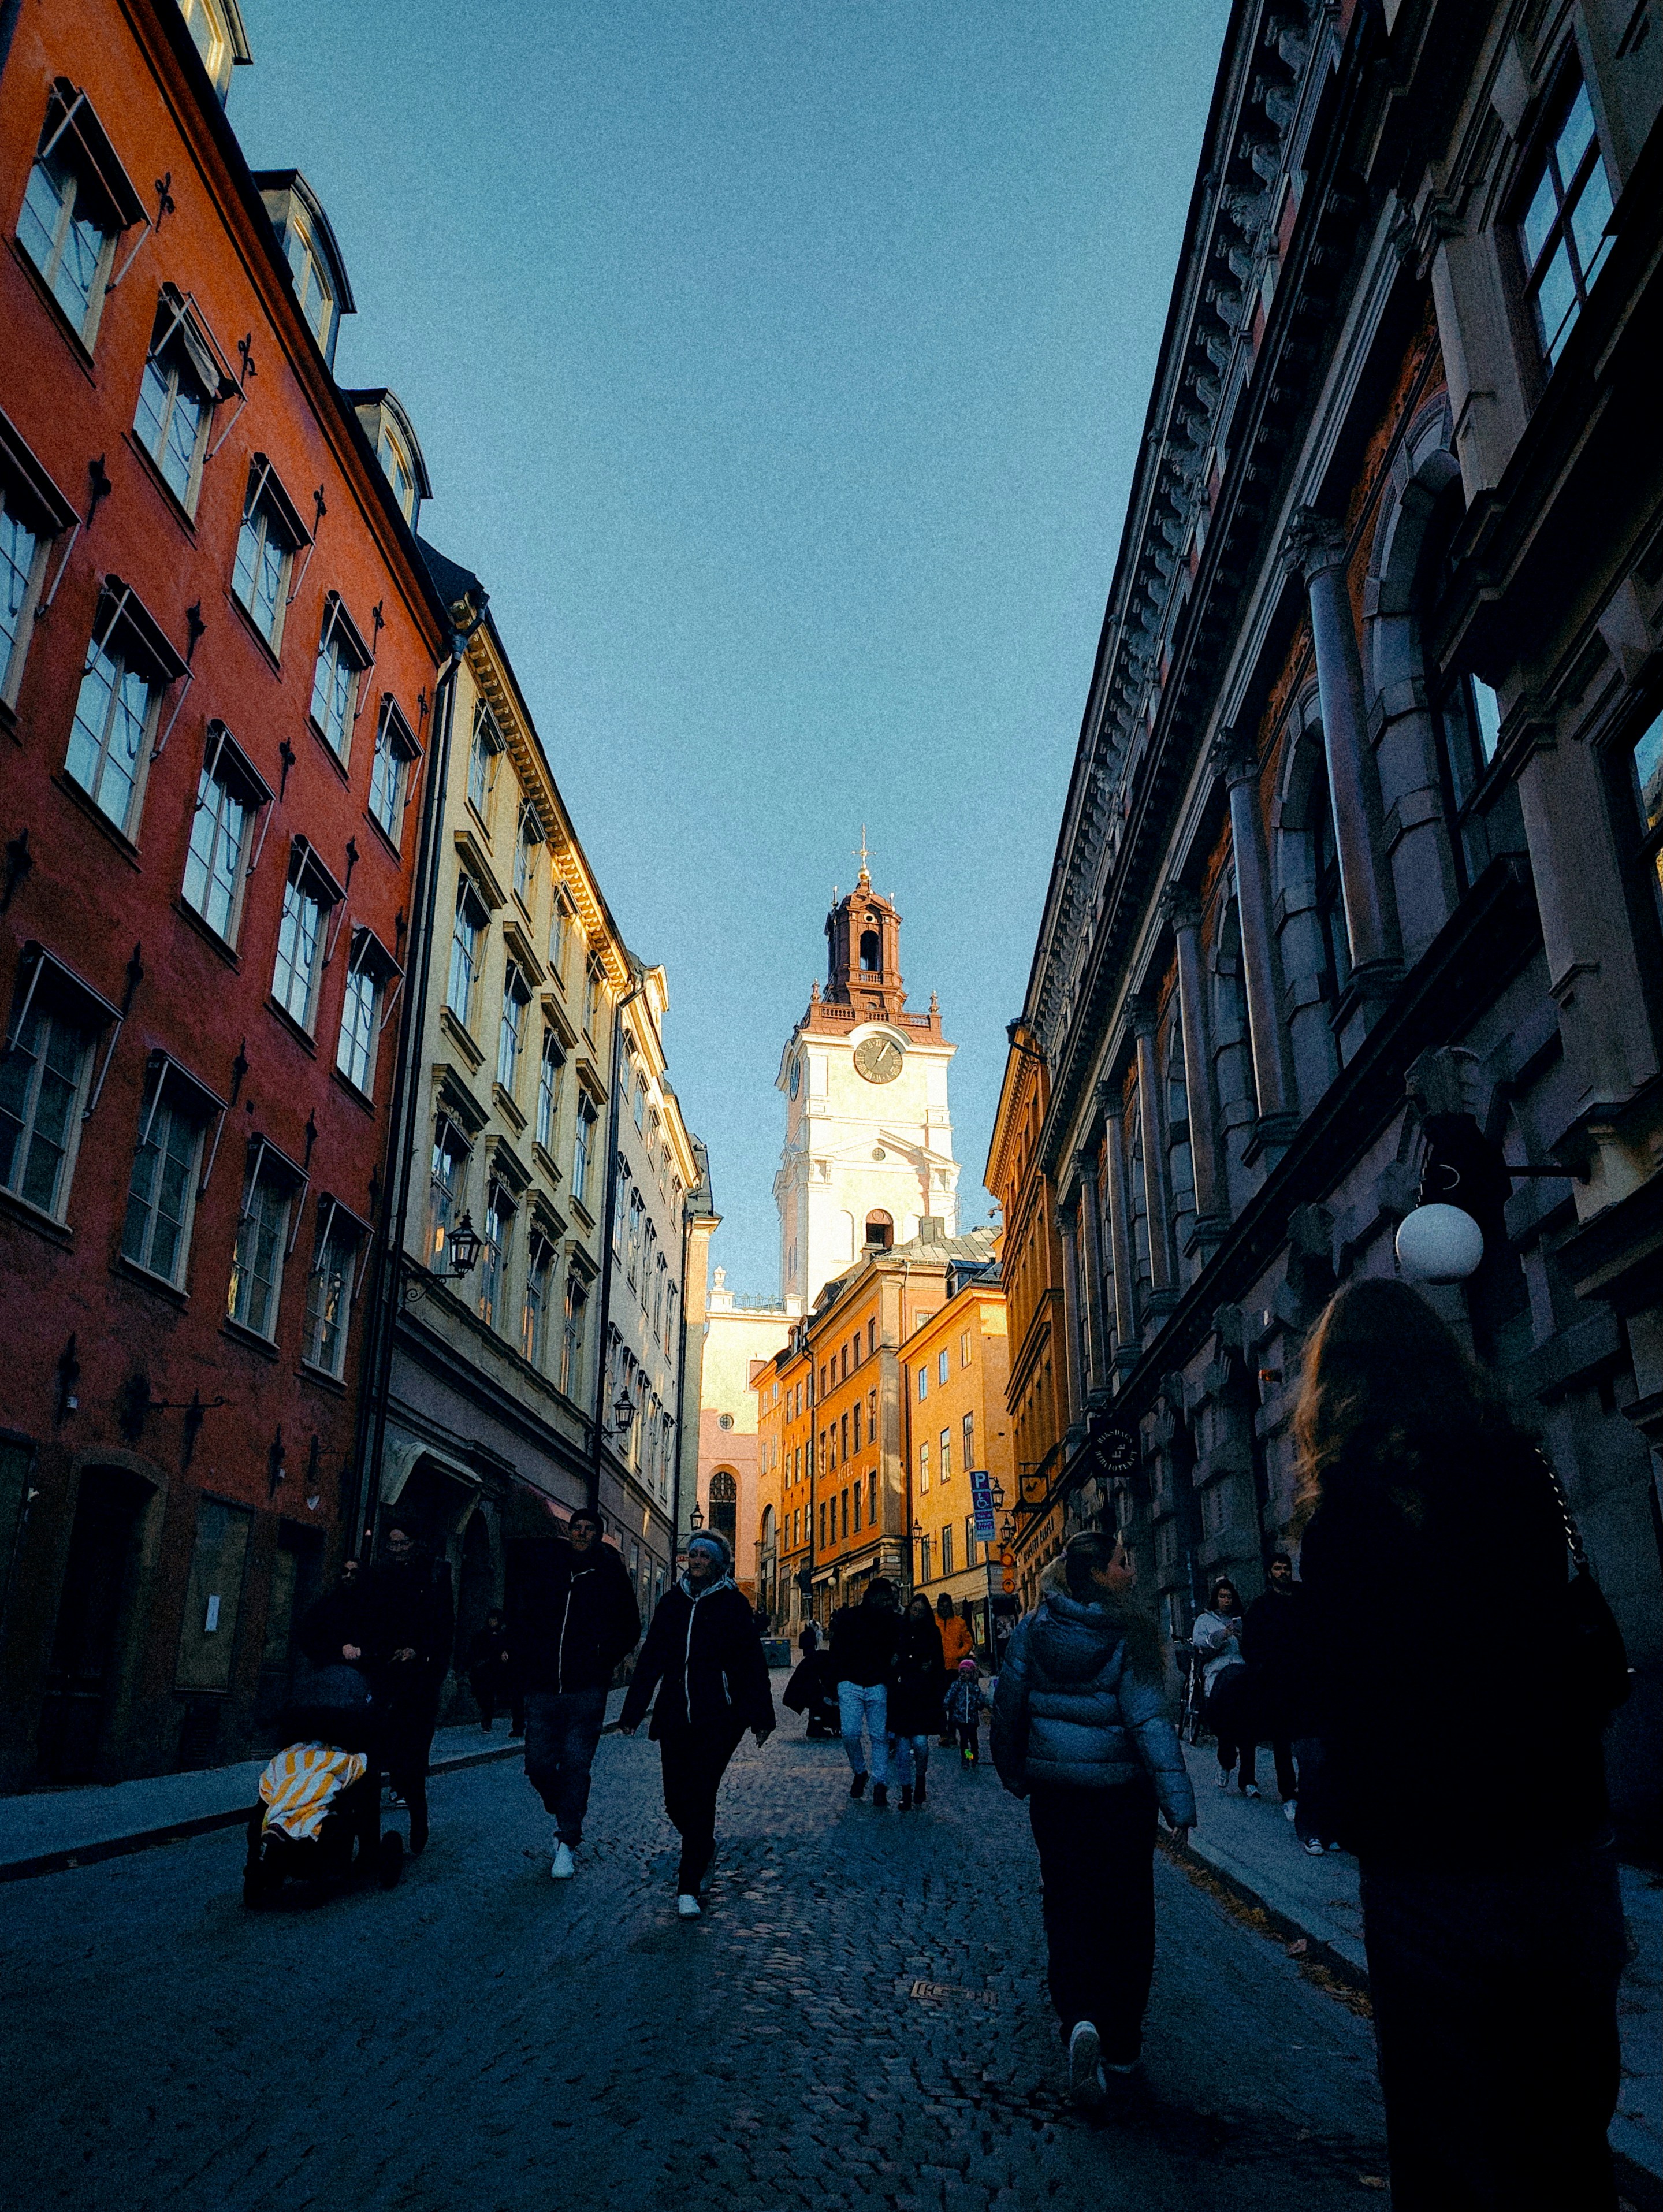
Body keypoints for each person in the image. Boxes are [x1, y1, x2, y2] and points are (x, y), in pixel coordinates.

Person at [1296, 1278, 1628, 2209]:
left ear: (1337, 1382)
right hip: (1560, 1833)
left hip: (1426, 1860)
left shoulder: (1345, 1518)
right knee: (1566, 2119)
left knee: (1447, 2129)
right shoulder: (1518, 1469)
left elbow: (1338, 1696)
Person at [992, 1529, 1196, 2108]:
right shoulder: (1128, 1631)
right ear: (1100, 1574)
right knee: (1127, 1913)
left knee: (1066, 1904)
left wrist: (1014, 1773)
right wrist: (1176, 1801)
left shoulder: (1034, 1627)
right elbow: (1148, 1720)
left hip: (1055, 1797)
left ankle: (1079, 2018)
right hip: (1118, 1797)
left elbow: (1008, 1705)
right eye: (1122, 1562)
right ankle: (1122, 2042)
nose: (1130, 1571)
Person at [620, 1527, 773, 1917]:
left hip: (719, 1717)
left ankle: (687, 1886)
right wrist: (633, 1711)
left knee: (702, 1794)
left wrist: (761, 1717)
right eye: (693, 1554)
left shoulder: (733, 1604)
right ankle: (703, 1847)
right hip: (674, 1714)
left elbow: (751, 1663)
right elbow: (652, 1656)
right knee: (675, 1799)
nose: (697, 1560)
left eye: (705, 1555)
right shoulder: (672, 1601)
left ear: (718, 1562)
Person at [512, 1507, 641, 1880]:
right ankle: (560, 1804)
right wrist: (528, 1657)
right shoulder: (549, 1568)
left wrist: (603, 1658)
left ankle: (567, 1839)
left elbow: (630, 1626)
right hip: (543, 1687)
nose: (582, 1534)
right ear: (568, 1532)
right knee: (537, 1765)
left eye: (589, 1529)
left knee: (574, 1764)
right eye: (577, 1528)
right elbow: (525, 1617)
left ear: (598, 1535)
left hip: (586, 1689)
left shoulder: (610, 1573)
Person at [362, 1523, 453, 1856]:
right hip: (383, 1674)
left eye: (403, 1544)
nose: (398, 1550)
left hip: (419, 1680)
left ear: (416, 1544)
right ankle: (369, 1839)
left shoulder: (434, 1574)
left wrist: (420, 1652)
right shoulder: (379, 1577)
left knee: (412, 1757)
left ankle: (418, 1816)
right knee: (371, 1758)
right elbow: (371, 1620)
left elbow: (444, 1628)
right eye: (393, 1544)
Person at [1241, 1553, 1309, 1815]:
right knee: (1282, 1739)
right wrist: (1264, 1668)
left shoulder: (1305, 1600)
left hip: (1306, 1679)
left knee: (1308, 1742)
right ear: (1270, 1573)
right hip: (1277, 1681)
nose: (1283, 1573)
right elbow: (1250, 1645)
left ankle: (1309, 1792)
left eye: (1286, 1568)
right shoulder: (1262, 1607)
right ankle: (1289, 1793)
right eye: (1278, 1568)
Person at [828, 1578, 901, 1805]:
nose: (889, 1601)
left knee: (879, 1737)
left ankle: (880, 1783)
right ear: (873, 1596)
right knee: (850, 1734)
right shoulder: (848, 1618)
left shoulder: (894, 1621)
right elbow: (836, 1650)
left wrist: (892, 1670)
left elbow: (899, 1650)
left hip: (878, 1683)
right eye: (886, 1597)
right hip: (850, 1683)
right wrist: (836, 1681)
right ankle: (860, 1771)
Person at [1192, 1577, 1259, 1794]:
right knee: (1226, 1724)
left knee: (1248, 1725)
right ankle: (1227, 1761)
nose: (1226, 1600)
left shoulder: (1242, 1620)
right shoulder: (1204, 1619)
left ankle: (1248, 1779)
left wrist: (1242, 1638)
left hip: (1241, 1671)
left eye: (1229, 1597)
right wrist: (1222, 1635)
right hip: (1219, 1673)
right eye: (1222, 1596)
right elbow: (1200, 1644)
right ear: (1216, 1598)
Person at [887, 1593, 947, 1809]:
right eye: (914, 1610)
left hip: (922, 1695)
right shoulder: (900, 1630)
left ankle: (920, 1780)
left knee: (921, 1744)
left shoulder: (932, 1633)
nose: (917, 1615)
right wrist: (894, 1664)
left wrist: (931, 1672)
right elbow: (891, 1658)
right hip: (901, 1695)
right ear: (909, 1609)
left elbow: (938, 1663)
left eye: (921, 1612)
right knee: (903, 1748)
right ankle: (905, 1791)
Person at [300, 1557, 370, 1674]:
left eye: (354, 1573)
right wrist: (339, 1649)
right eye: (345, 1572)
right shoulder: (328, 1604)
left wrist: (361, 1650)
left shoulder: (369, 1606)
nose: (348, 1576)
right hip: (329, 1667)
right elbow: (312, 1635)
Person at [467, 1608, 520, 1734]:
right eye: (491, 1619)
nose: (493, 1622)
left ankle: (487, 1721)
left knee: (489, 1696)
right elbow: (474, 1651)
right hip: (481, 1669)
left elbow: (507, 1649)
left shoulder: (503, 1636)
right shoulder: (481, 1635)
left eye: (495, 1620)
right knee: (481, 1695)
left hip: (494, 1671)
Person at [935, 1595, 976, 1742]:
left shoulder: (960, 1623)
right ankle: (943, 1733)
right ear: (938, 1606)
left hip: (954, 1669)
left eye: (947, 1606)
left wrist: (960, 1655)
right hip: (938, 1669)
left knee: (953, 1703)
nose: (945, 1609)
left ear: (951, 1606)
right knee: (940, 1702)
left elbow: (969, 1642)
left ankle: (952, 1733)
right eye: (942, 1606)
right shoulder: (934, 1622)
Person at [944, 1659, 987, 1764]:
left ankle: (974, 1756)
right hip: (961, 1718)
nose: (965, 1675)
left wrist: (980, 1703)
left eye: (968, 1673)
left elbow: (980, 1697)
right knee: (964, 1740)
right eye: (963, 1672)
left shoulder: (974, 1687)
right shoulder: (957, 1685)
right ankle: (966, 1757)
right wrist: (946, 1704)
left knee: (973, 1739)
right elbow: (950, 1694)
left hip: (972, 1718)